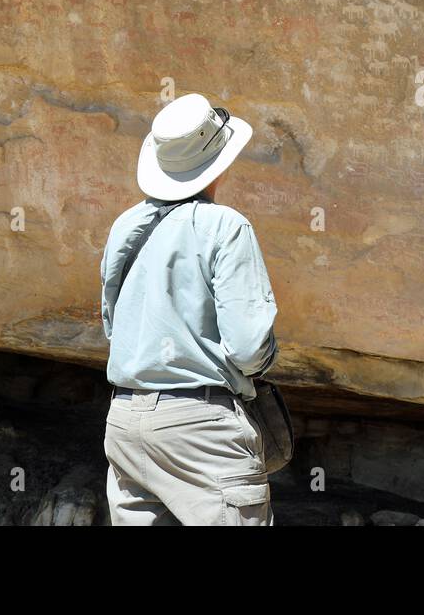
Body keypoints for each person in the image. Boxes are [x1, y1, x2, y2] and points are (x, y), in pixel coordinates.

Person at [99, 93, 279, 525]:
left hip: (125, 421)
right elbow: (249, 347)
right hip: (201, 428)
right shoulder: (226, 225)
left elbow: (112, 324)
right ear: (220, 160)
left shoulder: (125, 224)